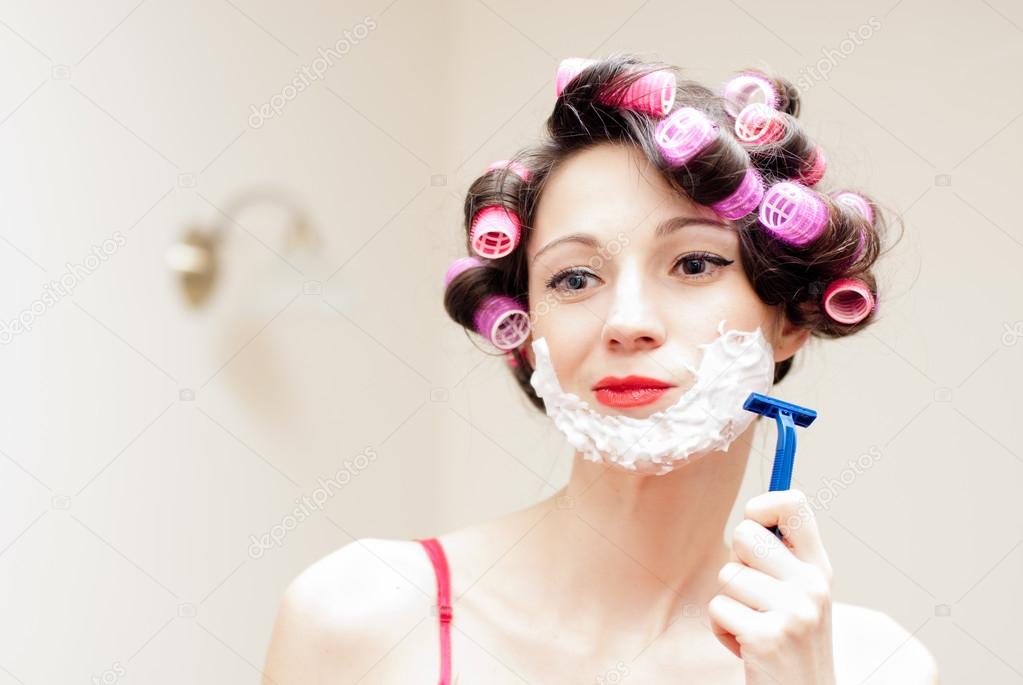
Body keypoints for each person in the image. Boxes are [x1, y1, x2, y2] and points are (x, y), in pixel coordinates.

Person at [261, 53, 940, 684]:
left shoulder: (875, 665)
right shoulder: (360, 617)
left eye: (694, 264)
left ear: (789, 315)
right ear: (524, 332)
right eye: (575, 278)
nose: (625, 321)